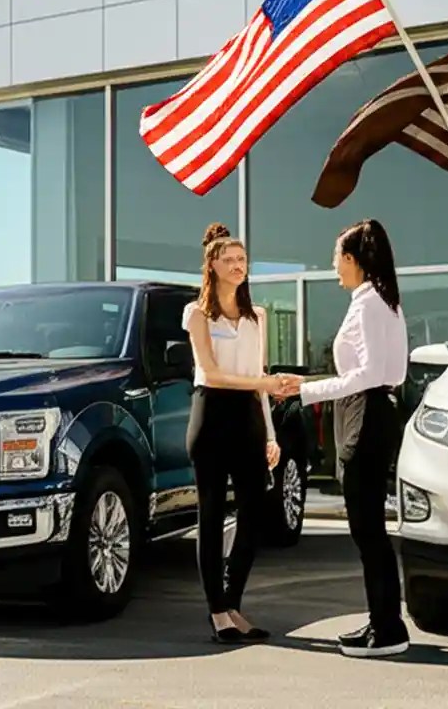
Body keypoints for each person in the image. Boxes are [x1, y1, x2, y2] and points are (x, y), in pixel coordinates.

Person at [282, 218, 410, 658]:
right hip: (366, 413)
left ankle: (389, 631)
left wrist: (306, 390)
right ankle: (382, 622)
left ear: (352, 259)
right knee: (367, 530)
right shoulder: (378, 299)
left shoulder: (370, 303)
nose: (333, 265)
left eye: (336, 256)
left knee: (367, 531)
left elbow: (369, 374)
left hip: (366, 416)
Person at [183, 222, 296, 644]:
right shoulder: (197, 314)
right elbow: (210, 374)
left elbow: (258, 377)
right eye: (228, 259)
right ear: (211, 265)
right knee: (211, 519)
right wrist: (261, 385)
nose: (237, 266)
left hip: (248, 416)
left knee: (254, 516)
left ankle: (233, 604)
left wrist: (271, 434)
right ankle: (217, 613)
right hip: (211, 417)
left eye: (242, 260)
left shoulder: (257, 317)